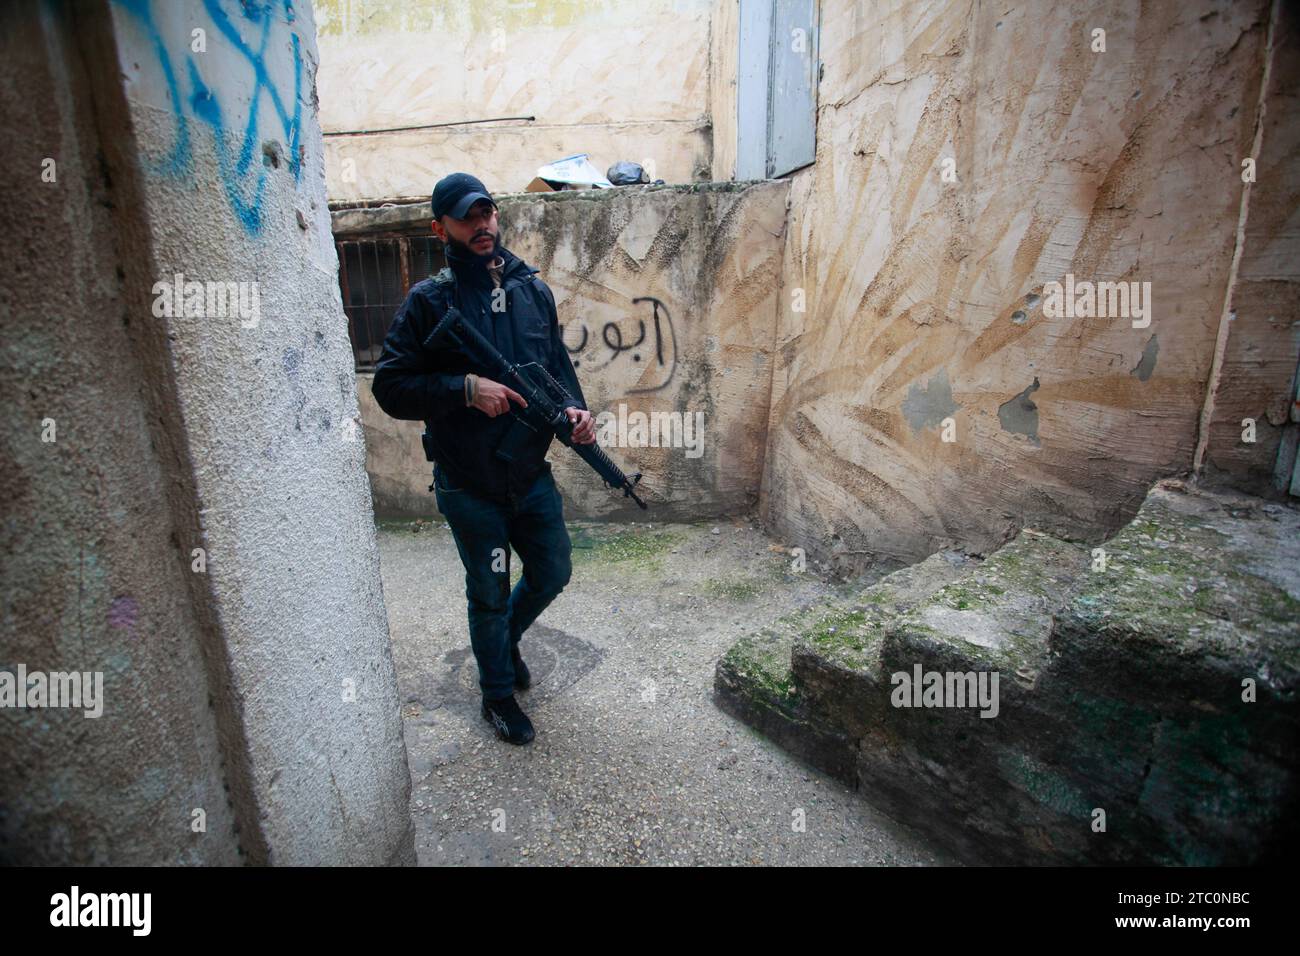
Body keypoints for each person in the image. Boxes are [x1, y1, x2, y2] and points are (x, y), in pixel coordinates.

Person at [371, 172, 596, 746]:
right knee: (490, 591)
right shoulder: (429, 301)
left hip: (528, 474)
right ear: (439, 227)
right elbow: (391, 386)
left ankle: (503, 643)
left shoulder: (531, 291)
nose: (482, 224)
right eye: (467, 217)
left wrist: (575, 412)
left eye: (487, 212)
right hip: (469, 482)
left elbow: (558, 371)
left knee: (553, 571)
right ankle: (496, 694)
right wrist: (465, 389)